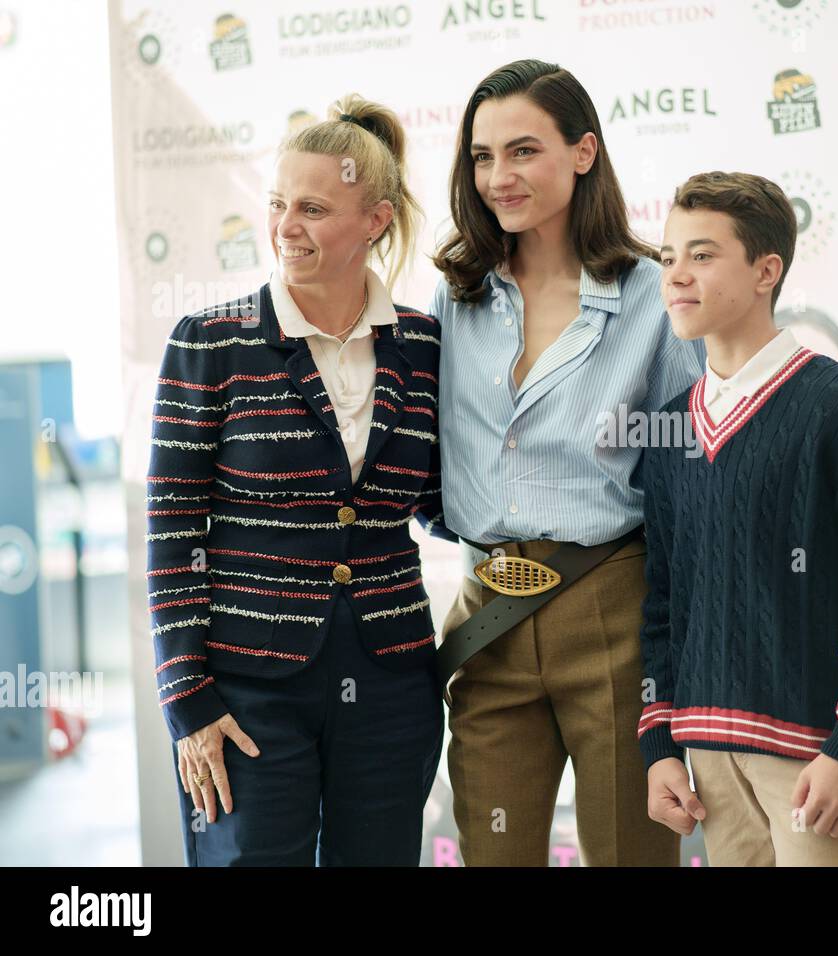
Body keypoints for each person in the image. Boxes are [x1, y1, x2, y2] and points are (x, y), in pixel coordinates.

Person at [147, 94, 443, 865]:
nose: (285, 226)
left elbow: (447, 500)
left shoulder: (425, 345)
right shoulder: (211, 343)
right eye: (279, 203)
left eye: (313, 208)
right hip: (245, 692)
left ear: (375, 220)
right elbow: (172, 526)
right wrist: (187, 702)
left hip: (390, 684)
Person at [428, 59, 702, 866]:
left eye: (522, 151)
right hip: (489, 610)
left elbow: (689, 481)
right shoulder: (456, 294)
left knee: (630, 853)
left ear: (583, 152)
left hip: (614, 606)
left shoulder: (657, 292)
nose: (497, 177)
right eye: (481, 157)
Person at [637, 171, 838, 866]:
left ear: (767, 270)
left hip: (811, 762)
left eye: (702, 255)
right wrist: (659, 745)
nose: (676, 275)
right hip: (704, 762)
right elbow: (663, 601)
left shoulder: (837, 405)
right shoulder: (669, 427)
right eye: (669, 256)